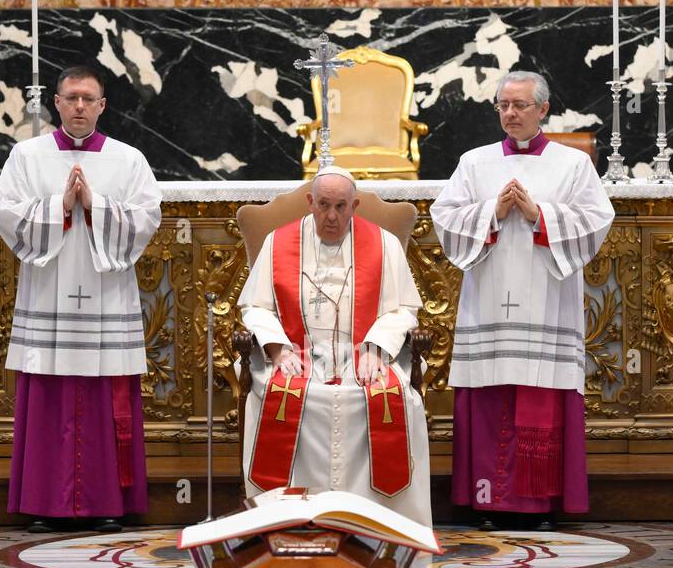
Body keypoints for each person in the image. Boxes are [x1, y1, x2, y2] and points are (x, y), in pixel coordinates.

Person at [430, 71, 615, 530]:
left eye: (519, 105)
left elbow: (597, 221)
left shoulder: (573, 165)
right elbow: (444, 217)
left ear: (543, 110)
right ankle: (488, 502)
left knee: (542, 397)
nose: (509, 114)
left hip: (548, 302)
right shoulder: (474, 162)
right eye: (502, 105)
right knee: (490, 397)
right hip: (489, 300)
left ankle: (538, 504)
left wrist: (539, 216)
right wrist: (492, 212)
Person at [0, 64, 162, 532]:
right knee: (49, 395)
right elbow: (7, 215)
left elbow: (148, 219)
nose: (80, 107)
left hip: (106, 300)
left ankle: (108, 503)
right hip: (50, 298)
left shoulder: (129, 160)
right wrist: (61, 206)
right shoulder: (26, 157)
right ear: (56, 102)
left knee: (106, 394)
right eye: (72, 98)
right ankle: (44, 504)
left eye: (89, 99)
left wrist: (96, 205)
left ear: (102, 105)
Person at [237, 166, 431, 526]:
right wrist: (279, 349)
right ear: (310, 202)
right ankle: (290, 520)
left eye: (341, 207)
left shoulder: (384, 244)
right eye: (323, 205)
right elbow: (255, 306)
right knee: (286, 394)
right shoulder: (278, 243)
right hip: (298, 352)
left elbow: (405, 307)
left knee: (386, 394)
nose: (331, 216)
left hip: (365, 353)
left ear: (354, 205)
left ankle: (383, 522)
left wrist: (377, 347)